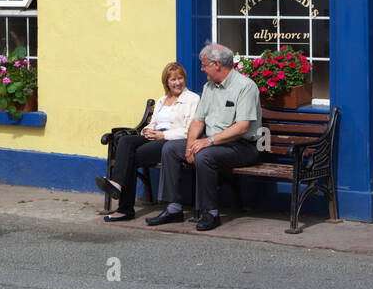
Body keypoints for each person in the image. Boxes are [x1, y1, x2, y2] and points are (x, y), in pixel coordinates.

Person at [146, 43, 261, 231]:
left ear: (217, 64)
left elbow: (242, 127)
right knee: (170, 148)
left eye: (204, 64)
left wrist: (207, 141)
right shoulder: (209, 87)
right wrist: (191, 144)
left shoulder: (245, 87)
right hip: (214, 141)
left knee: (204, 155)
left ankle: (210, 213)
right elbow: (198, 120)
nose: (201, 68)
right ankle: (173, 208)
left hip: (242, 146)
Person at [96, 62, 198, 221]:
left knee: (130, 158)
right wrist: (147, 131)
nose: (177, 82)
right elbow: (151, 124)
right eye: (173, 80)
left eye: (180, 78)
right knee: (125, 141)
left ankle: (124, 208)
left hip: (171, 141)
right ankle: (116, 184)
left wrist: (162, 136)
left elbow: (189, 130)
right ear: (167, 82)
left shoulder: (192, 99)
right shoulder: (162, 100)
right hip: (154, 136)